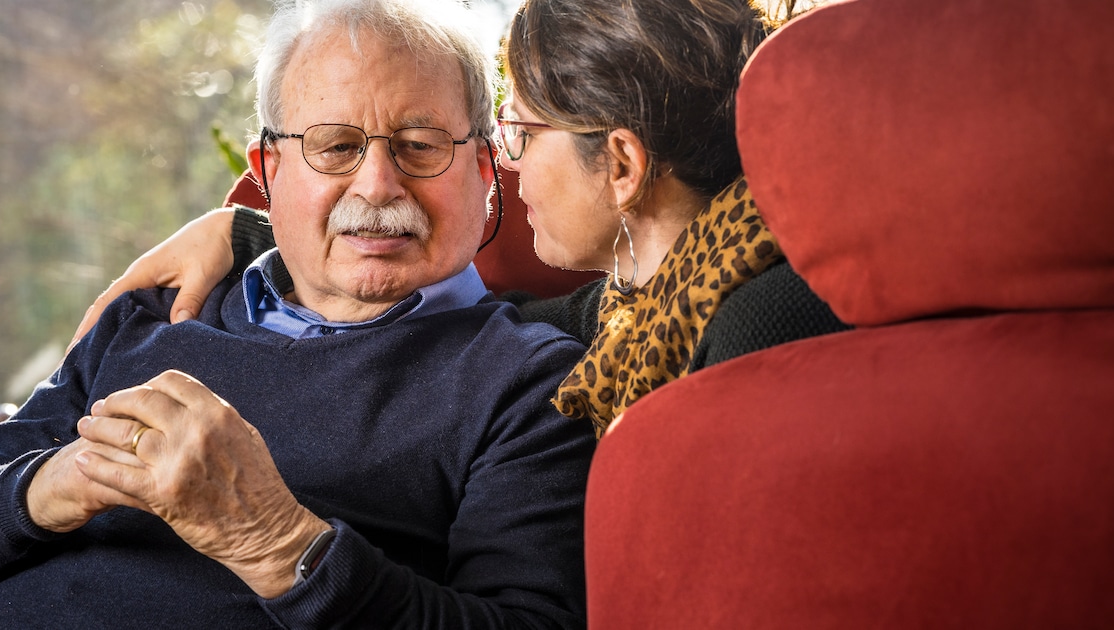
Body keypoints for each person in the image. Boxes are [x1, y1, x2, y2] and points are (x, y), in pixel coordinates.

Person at [0, 0, 595, 627]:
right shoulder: (148, 316)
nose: (376, 184)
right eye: (335, 147)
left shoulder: (531, 383)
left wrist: (276, 543)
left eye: (420, 145)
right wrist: (44, 490)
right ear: (268, 171)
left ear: (485, 171)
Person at [74, 0, 850, 438]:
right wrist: (248, 230)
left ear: (619, 165)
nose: (506, 164)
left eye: (520, 132)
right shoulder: (643, 308)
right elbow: (468, 313)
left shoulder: (761, 330)